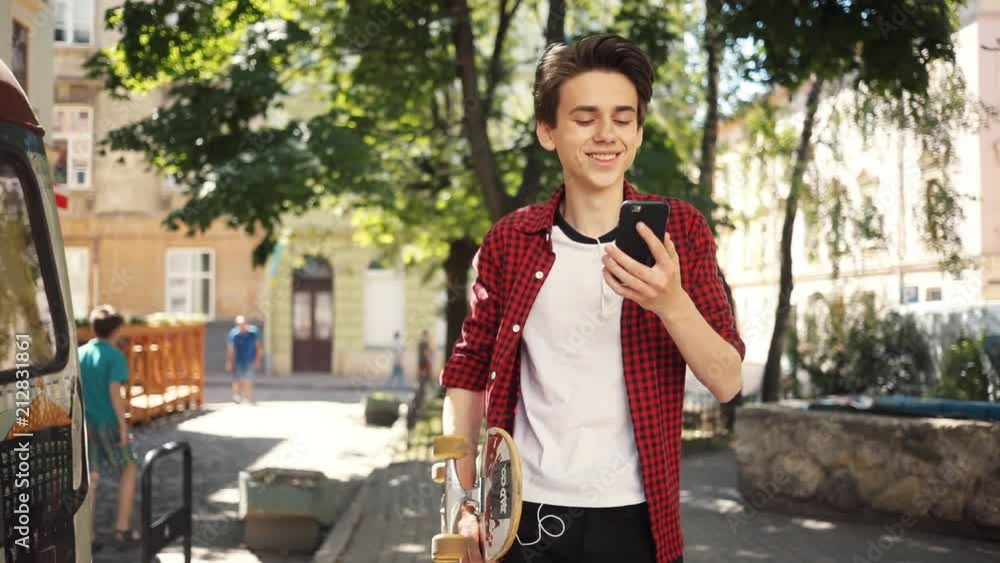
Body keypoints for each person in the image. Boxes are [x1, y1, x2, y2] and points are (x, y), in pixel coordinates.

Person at [439, 34, 745, 563]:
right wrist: (463, 502)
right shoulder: (511, 240)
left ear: (639, 131)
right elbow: (468, 372)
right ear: (547, 131)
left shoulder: (680, 232)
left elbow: (727, 380)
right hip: (520, 515)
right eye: (585, 119)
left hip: (635, 520)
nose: (607, 134)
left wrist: (670, 301)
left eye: (623, 119)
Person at [79, 305, 139, 550]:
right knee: (128, 468)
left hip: (85, 424)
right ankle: (122, 529)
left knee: (91, 478)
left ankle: (87, 537)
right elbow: (115, 393)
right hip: (107, 423)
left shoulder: (81, 353)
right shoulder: (115, 356)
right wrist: (123, 426)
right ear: (116, 330)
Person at [226, 315, 261, 404]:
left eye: (243, 324)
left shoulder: (253, 332)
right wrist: (229, 362)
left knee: (248, 379)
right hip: (238, 359)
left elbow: (258, 347)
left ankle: (247, 397)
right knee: (238, 379)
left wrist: (257, 359)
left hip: (249, 359)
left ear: (246, 323)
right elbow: (231, 349)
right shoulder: (234, 334)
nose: (241, 327)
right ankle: (237, 395)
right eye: (239, 325)